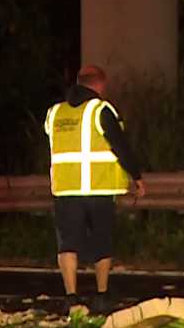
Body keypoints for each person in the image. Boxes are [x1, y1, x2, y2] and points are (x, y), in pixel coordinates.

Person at [45, 65, 146, 314]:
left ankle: (71, 296)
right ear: (100, 85)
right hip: (99, 188)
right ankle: (101, 294)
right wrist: (137, 177)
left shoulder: (54, 112)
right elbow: (120, 145)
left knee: (67, 245)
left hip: (66, 190)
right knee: (102, 242)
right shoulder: (101, 110)